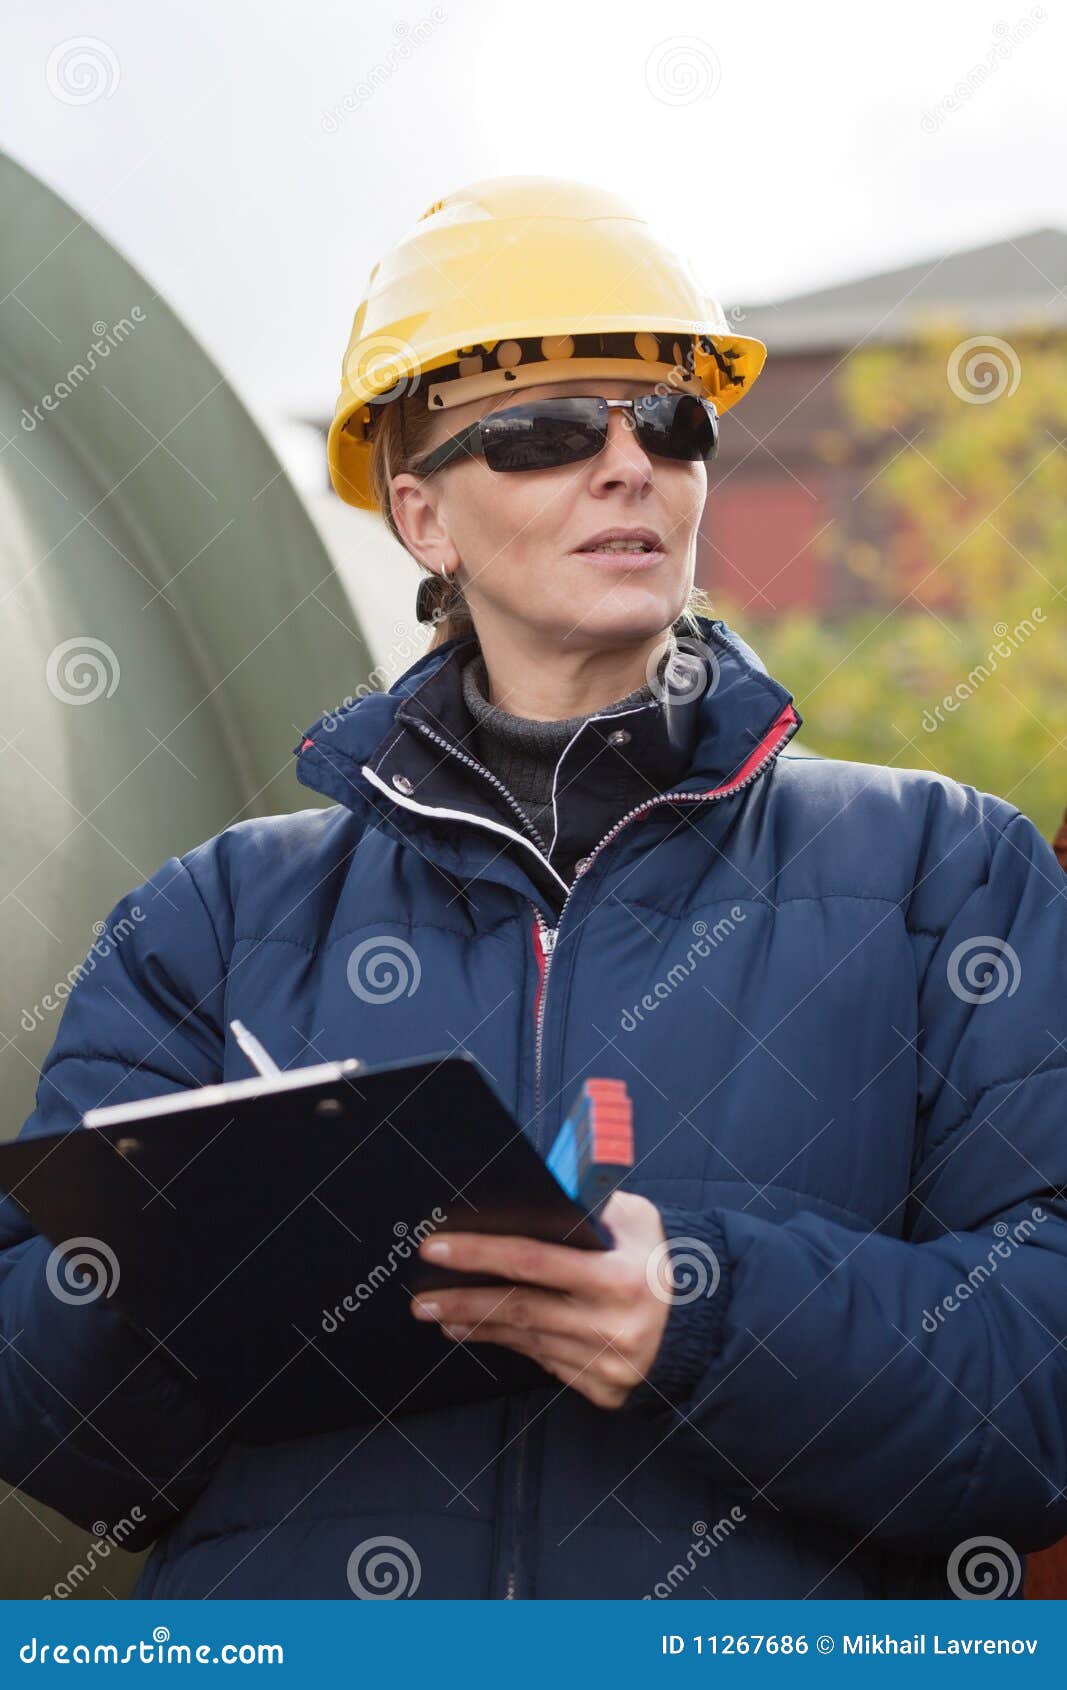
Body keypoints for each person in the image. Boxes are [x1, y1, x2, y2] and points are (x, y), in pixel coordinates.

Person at [1, 175, 1066, 1602]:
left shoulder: (944, 870)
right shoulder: (213, 921)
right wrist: (218, 1282)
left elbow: (1042, 1385)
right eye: (549, 433)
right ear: (422, 513)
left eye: (667, 423)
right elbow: (56, 1428)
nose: (628, 465)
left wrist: (696, 1311)